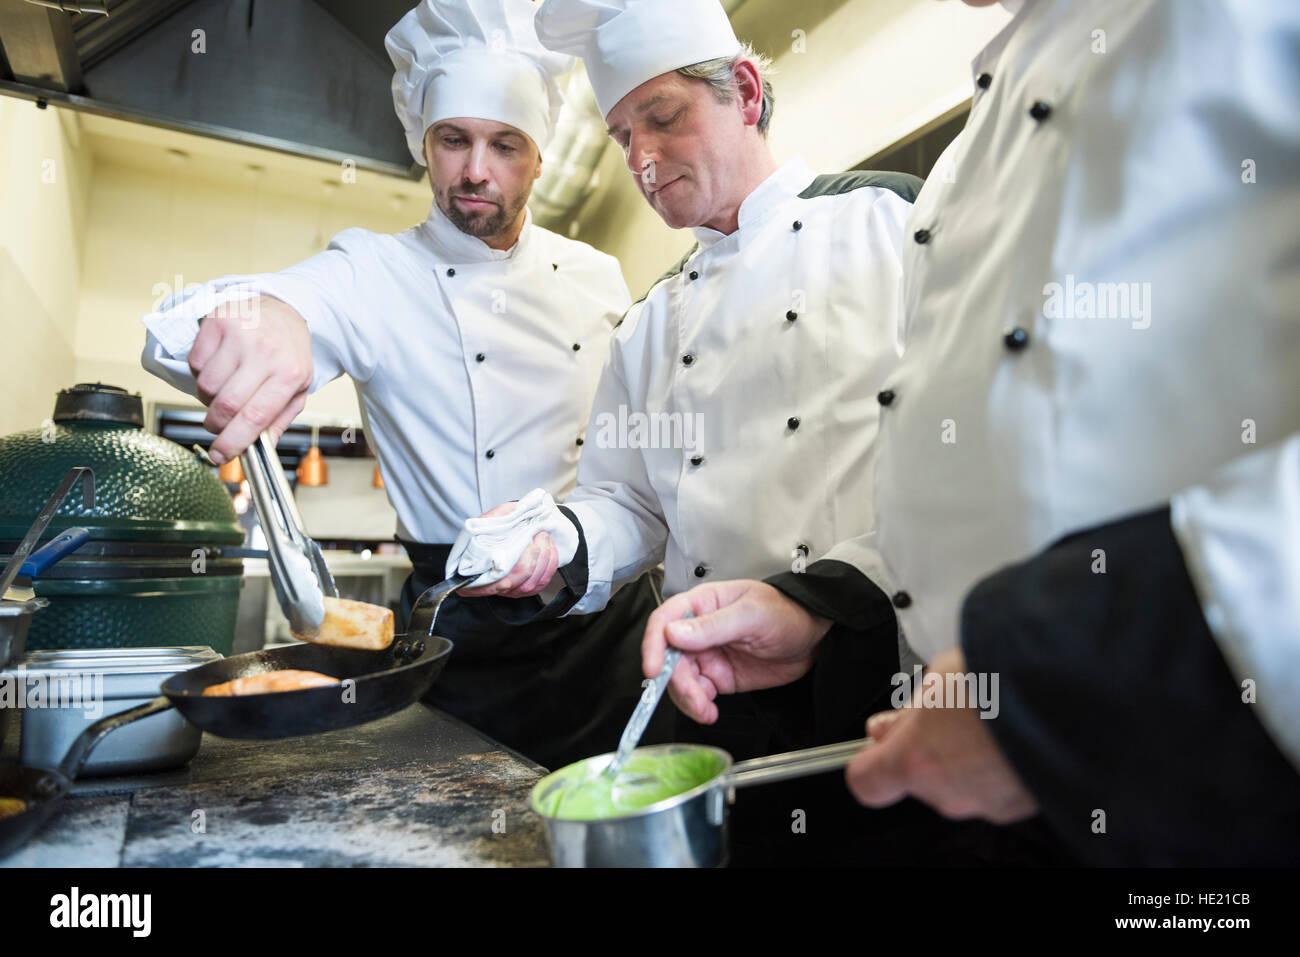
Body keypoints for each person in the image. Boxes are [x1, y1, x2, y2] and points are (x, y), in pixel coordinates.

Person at [645, 0, 1300, 865]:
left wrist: (1058, 682)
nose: (645, 161)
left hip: (1195, 783)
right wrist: (820, 608)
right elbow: (961, 486)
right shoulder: (956, 176)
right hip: (962, 769)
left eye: (660, 119)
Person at [449, 0, 1002, 865]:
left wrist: (830, 601)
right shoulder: (651, 322)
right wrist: (556, 535)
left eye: (662, 119)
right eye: (622, 133)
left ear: (745, 91)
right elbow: (625, 499)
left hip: (872, 673)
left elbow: (970, 448)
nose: (640, 159)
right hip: (709, 690)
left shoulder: (891, 225)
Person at [138, 0, 669, 771]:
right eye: (454, 139)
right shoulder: (375, 271)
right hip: (459, 630)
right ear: (425, 142)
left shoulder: (596, 276)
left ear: (540, 158)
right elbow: (181, 328)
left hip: (605, 619)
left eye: (505, 144)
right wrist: (276, 316)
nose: (476, 169)